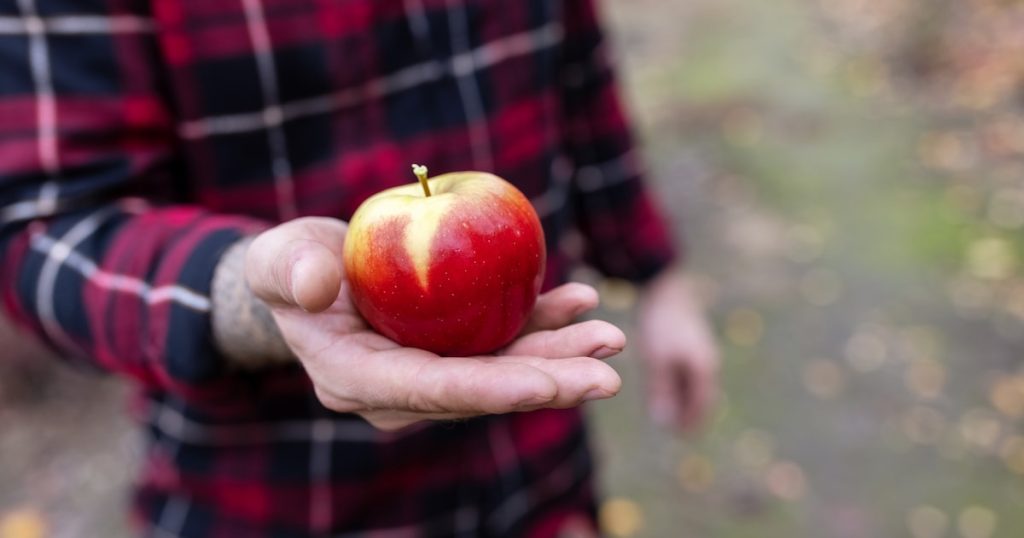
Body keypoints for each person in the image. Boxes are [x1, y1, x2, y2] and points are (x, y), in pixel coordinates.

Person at [0, 0, 718, 535]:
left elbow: (575, 67)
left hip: (538, 463)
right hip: (279, 497)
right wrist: (255, 293)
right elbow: (47, 226)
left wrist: (656, 275)